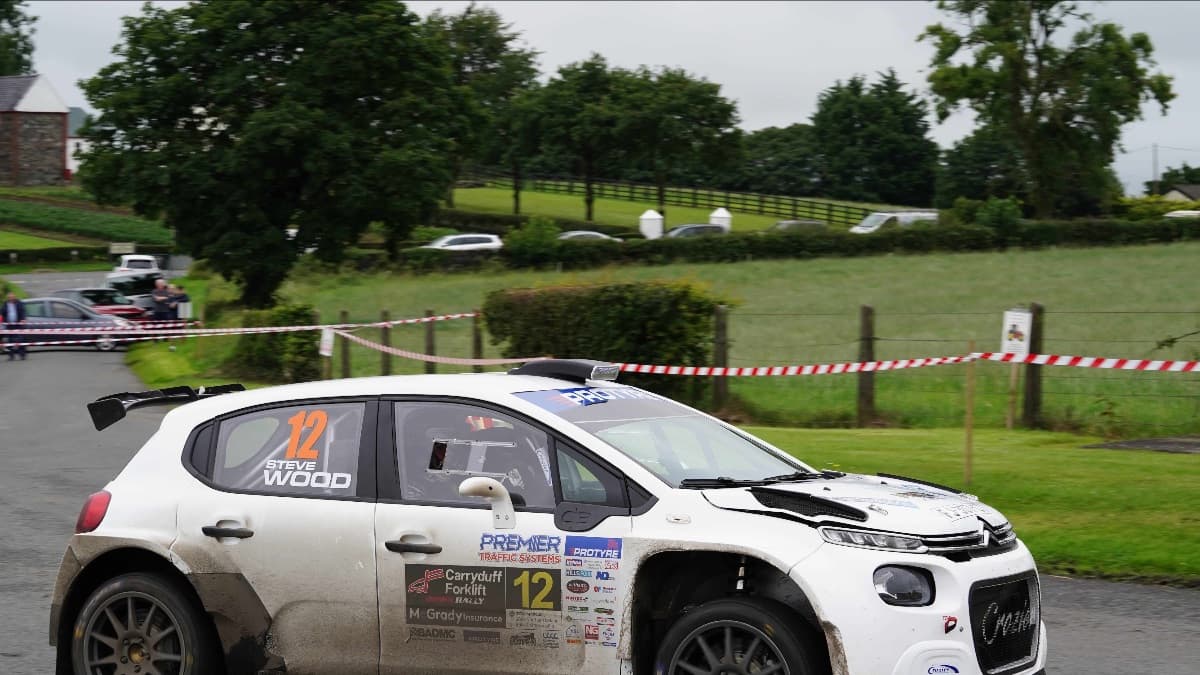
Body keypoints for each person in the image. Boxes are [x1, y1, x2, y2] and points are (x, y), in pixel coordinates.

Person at [3, 292, 27, 361]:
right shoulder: (5, 303)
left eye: (12, 297)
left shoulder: (19, 302)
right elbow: (2, 312)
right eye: (9, 298)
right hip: (9, 325)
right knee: (10, 341)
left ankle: (22, 355)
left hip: (18, 324)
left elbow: (23, 311)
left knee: (21, 340)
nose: (10, 299)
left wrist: (23, 319)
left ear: (14, 297)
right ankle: (11, 356)